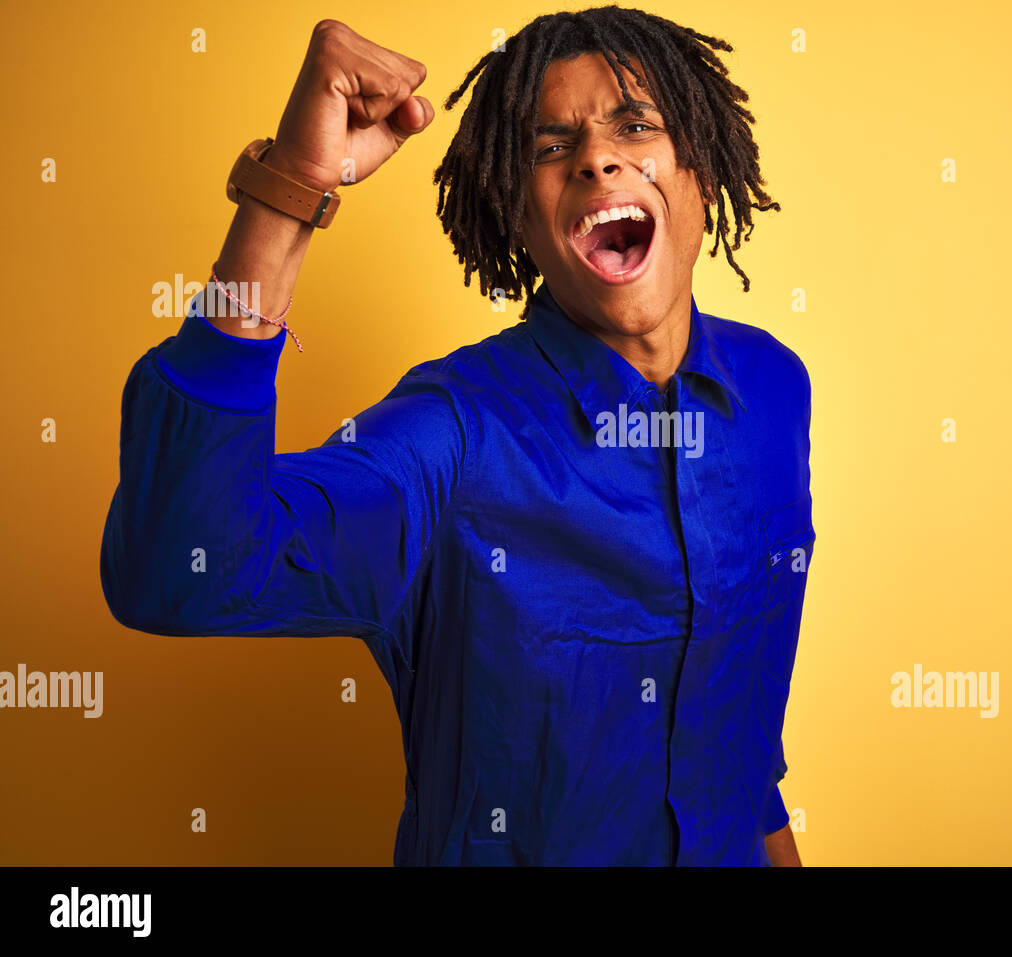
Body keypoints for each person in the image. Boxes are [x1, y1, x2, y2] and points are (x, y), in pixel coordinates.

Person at [100, 6, 813, 866]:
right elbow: (183, 568)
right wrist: (288, 186)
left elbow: (740, 754)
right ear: (517, 215)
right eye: (552, 147)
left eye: (635, 124)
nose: (595, 156)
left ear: (700, 165)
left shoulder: (775, 391)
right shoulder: (452, 436)